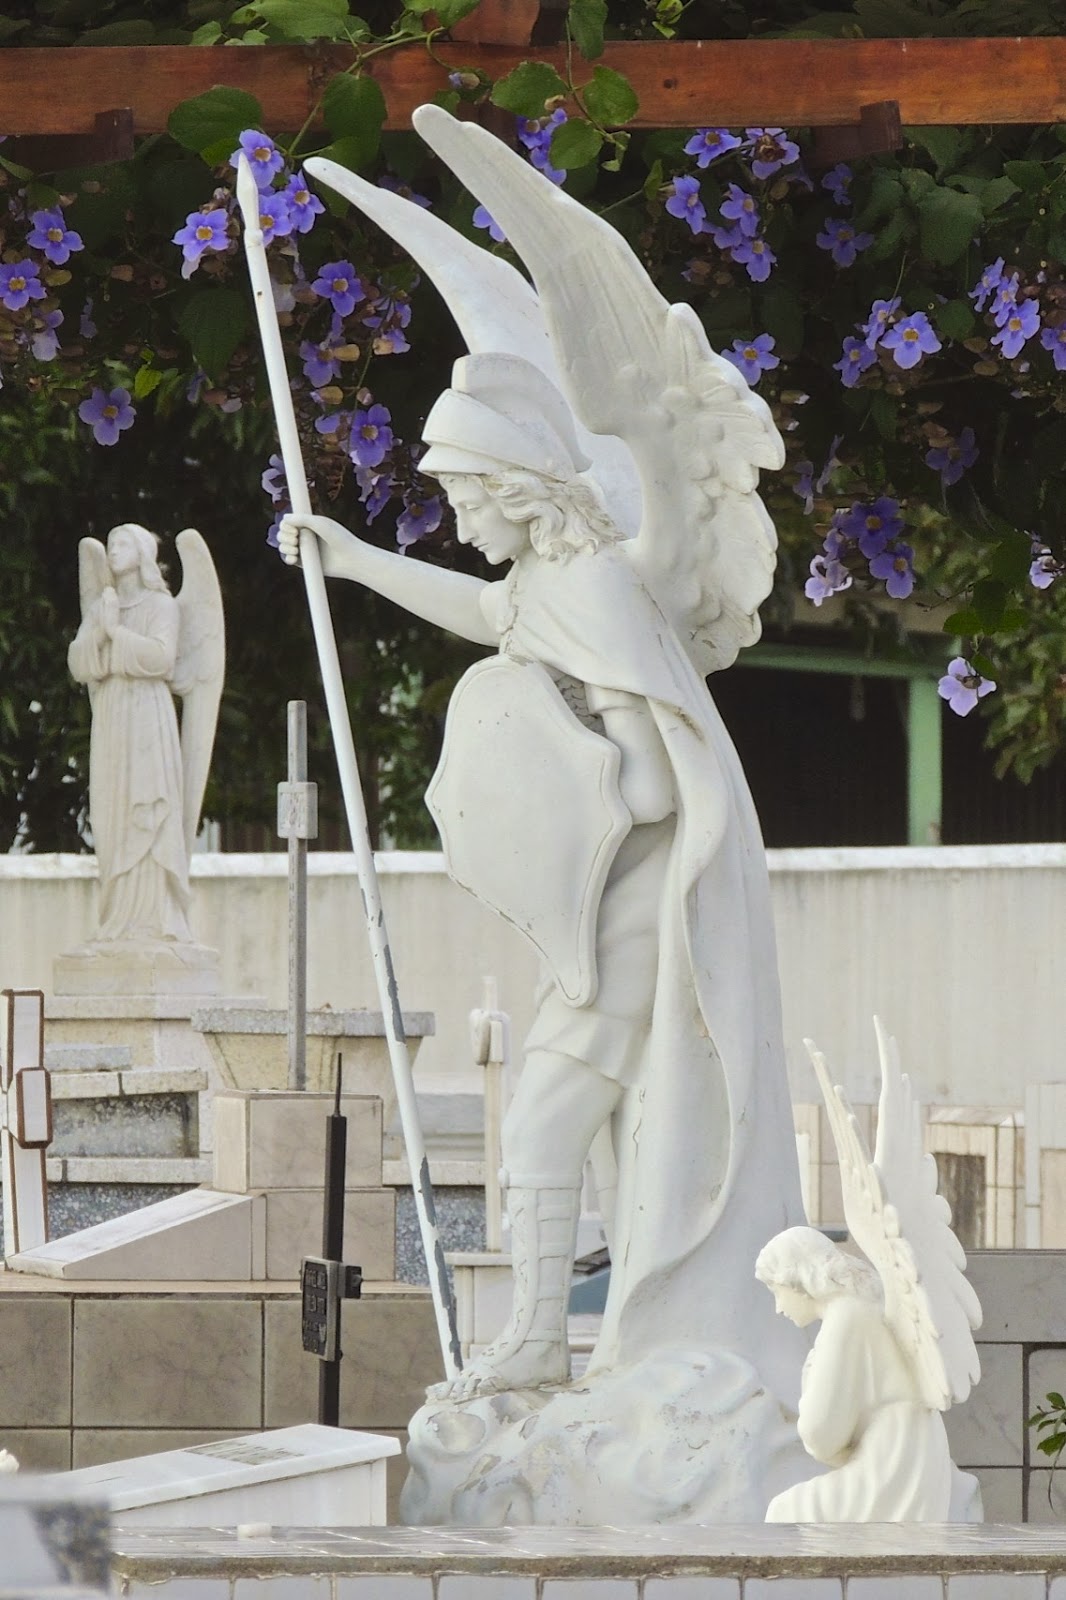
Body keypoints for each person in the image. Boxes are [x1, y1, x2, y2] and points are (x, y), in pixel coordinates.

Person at [279, 353, 807, 1407]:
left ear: (516, 491)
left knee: (543, 1126)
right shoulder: (551, 585)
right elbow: (490, 612)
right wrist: (354, 561)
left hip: (635, 913)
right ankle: (563, 1341)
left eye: (468, 501)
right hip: (599, 911)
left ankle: (533, 1341)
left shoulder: (597, 589)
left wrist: (550, 788)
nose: (461, 522)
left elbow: (647, 785)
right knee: (603, 1134)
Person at [756, 1226, 956, 1521]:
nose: (778, 1307)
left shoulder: (845, 1317)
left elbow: (821, 1434)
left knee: (785, 1512)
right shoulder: (866, 1308)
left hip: (892, 1463)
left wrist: (809, 1381)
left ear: (796, 1280)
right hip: (913, 1453)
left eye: (776, 1291)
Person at [68, 524, 192, 944]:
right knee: (112, 810)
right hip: (112, 714)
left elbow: (163, 659)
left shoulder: (161, 605)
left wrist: (115, 633)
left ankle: (156, 919)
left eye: (122, 544)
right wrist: (99, 630)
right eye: (110, 545)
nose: (113, 551)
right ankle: (117, 917)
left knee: (148, 804)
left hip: (148, 714)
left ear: (142, 553)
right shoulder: (102, 605)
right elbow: (79, 664)